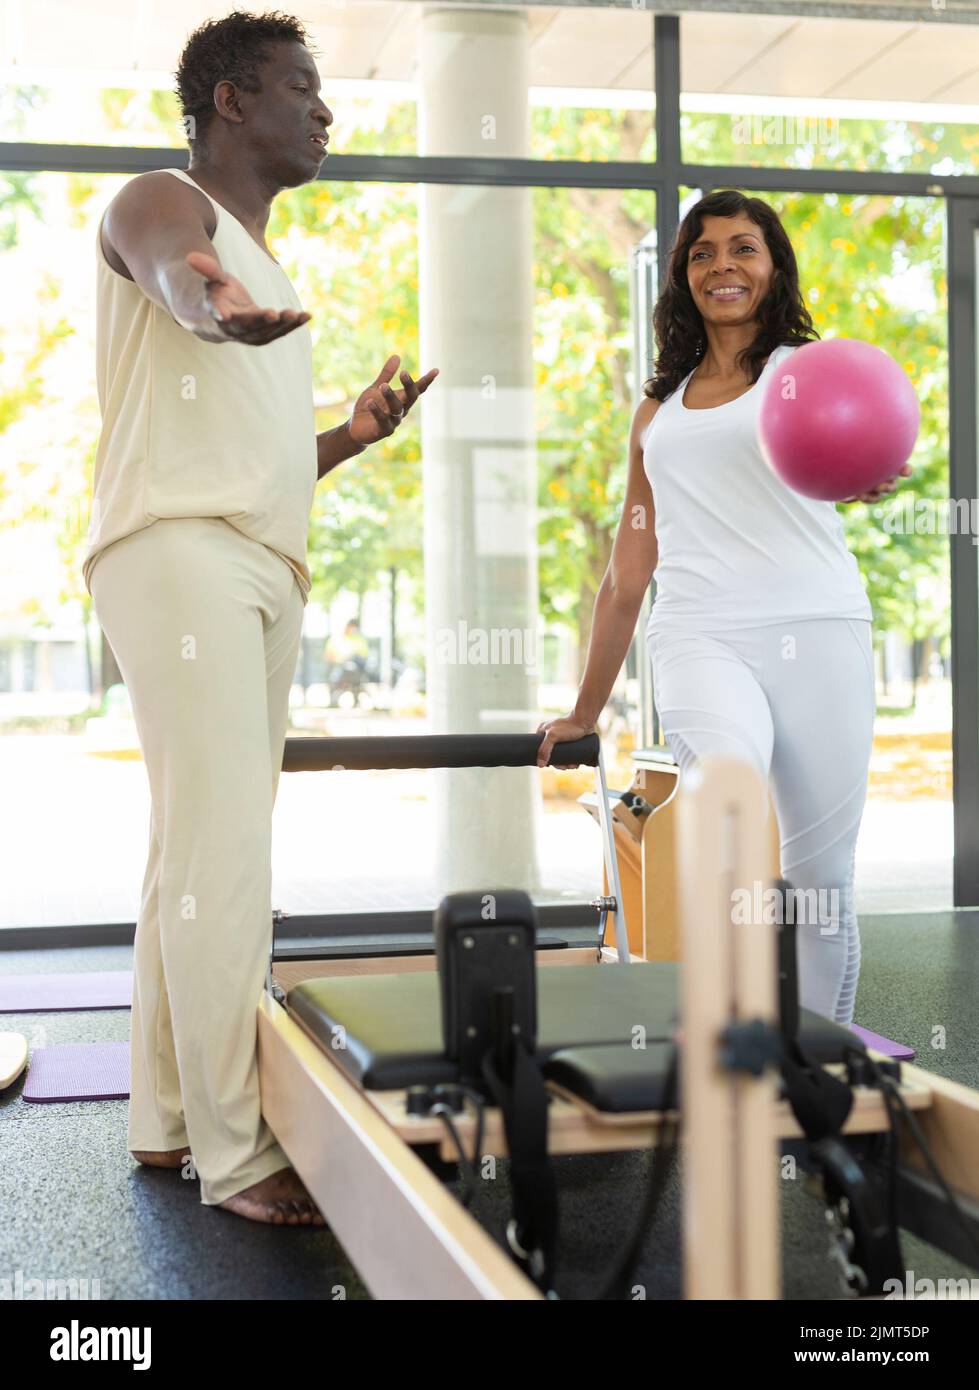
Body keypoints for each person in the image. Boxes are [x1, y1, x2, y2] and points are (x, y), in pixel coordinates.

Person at [83, 11, 437, 1225]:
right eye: (301, 87)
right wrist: (206, 299)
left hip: (250, 559)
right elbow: (174, 267)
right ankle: (239, 1155)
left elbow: (257, 452)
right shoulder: (161, 203)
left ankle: (169, 1120)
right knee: (226, 855)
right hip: (182, 557)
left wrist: (347, 436)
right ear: (231, 102)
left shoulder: (272, 274)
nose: (323, 110)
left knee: (191, 851)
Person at [537, 188, 910, 1026]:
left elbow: (862, 451)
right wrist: (582, 711)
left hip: (818, 626)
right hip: (700, 630)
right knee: (730, 797)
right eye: (701, 253)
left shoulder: (802, 375)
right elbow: (627, 572)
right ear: (681, 278)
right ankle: (734, 1025)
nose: (721, 266)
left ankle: (811, 1068)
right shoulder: (655, 414)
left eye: (742, 248)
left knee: (819, 880)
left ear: (772, 267)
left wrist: (873, 472)